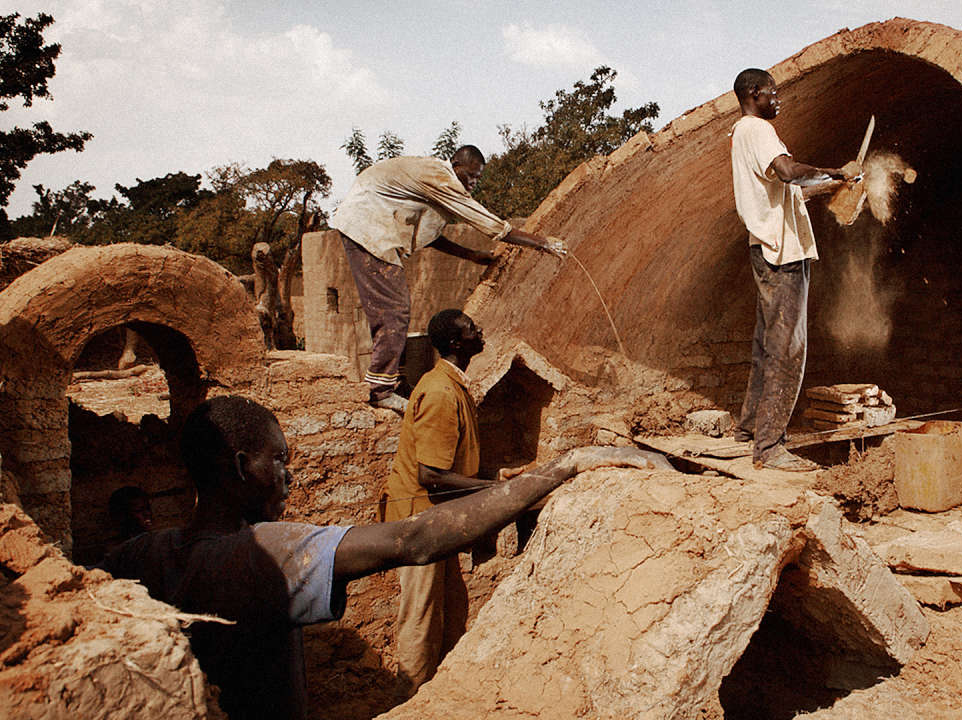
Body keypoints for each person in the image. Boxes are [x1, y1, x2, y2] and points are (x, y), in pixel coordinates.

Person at [100, 395, 668, 720]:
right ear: (241, 466)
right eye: (279, 460)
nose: (289, 474)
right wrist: (566, 466)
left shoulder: (139, 555)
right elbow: (415, 539)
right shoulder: (265, 553)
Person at [329, 146, 567, 414]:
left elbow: (429, 237)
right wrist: (543, 243)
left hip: (366, 224)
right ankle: (380, 390)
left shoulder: (433, 185)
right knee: (394, 309)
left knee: (391, 310)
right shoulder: (441, 178)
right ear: (456, 165)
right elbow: (492, 226)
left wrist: (470, 255)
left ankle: (388, 382)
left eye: (478, 177)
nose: (473, 182)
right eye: (470, 175)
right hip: (367, 227)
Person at [729, 68, 852, 472]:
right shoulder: (758, 129)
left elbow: (786, 188)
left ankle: (749, 429)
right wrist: (835, 171)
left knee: (767, 344)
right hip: (782, 254)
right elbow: (787, 171)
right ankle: (769, 447)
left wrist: (832, 185)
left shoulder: (743, 134)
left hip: (766, 248)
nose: (778, 99)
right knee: (787, 348)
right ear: (754, 93)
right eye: (772, 92)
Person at [379, 308, 503, 688]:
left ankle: (438, 694)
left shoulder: (453, 385)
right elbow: (431, 476)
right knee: (421, 619)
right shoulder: (440, 392)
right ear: (454, 343)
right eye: (471, 329)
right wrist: (493, 490)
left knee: (449, 612)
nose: (479, 331)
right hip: (419, 520)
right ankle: (409, 699)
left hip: (436, 518)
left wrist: (495, 478)